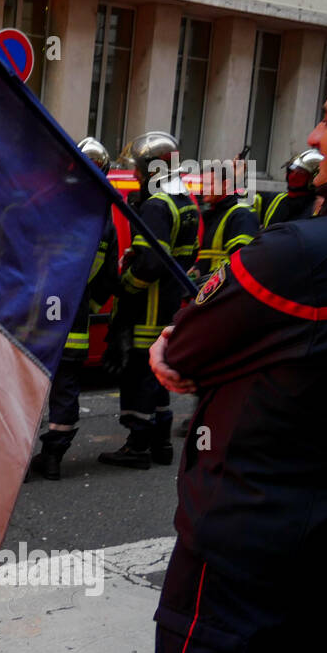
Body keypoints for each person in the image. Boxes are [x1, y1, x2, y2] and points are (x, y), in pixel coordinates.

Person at [146, 45, 327, 653]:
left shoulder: (301, 253)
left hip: (238, 559)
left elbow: (187, 349)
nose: (315, 137)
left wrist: (180, 346)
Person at [98, 131, 198, 470]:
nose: (136, 176)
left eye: (139, 169)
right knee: (157, 378)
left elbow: (151, 264)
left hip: (147, 308)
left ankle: (137, 446)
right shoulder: (182, 202)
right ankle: (161, 444)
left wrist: (126, 284)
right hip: (169, 305)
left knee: (138, 376)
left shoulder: (156, 205)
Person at [28, 137, 117, 480]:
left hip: (35, 317)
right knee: (66, 389)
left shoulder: (50, 204)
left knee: (26, 388)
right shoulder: (104, 216)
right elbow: (107, 275)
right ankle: (53, 458)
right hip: (73, 321)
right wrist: (87, 303)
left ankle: (17, 462)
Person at [189, 161, 259, 283]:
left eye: (208, 184)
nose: (202, 189)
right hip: (204, 291)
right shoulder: (210, 214)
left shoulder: (241, 215)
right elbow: (205, 259)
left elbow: (242, 261)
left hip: (224, 291)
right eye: (202, 184)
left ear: (226, 185)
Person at [255, 149, 323, 228]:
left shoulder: (317, 208)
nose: (292, 177)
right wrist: (239, 177)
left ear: (313, 179)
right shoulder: (276, 199)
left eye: (300, 174)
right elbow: (246, 200)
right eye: (290, 171)